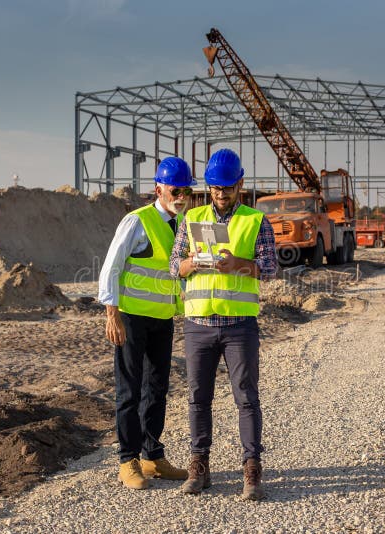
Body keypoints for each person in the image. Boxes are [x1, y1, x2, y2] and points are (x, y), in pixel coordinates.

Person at [169, 148, 278, 500]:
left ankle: (252, 470)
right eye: (215, 187)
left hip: (238, 326)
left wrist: (238, 265)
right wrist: (190, 264)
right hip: (198, 323)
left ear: (240, 184)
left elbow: (271, 267)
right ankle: (199, 466)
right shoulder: (192, 218)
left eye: (227, 187)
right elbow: (174, 268)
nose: (220, 193)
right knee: (198, 399)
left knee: (246, 398)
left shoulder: (255, 220)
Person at [98, 156, 195, 490]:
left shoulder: (184, 226)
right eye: (174, 189)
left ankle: (152, 455)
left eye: (186, 190)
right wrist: (112, 315)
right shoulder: (136, 221)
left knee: (157, 390)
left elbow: (175, 273)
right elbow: (110, 267)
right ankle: (128, 461)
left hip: (162, 319)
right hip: (131, 319)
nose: (181, 195)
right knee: (129, 390)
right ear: (159, 189)